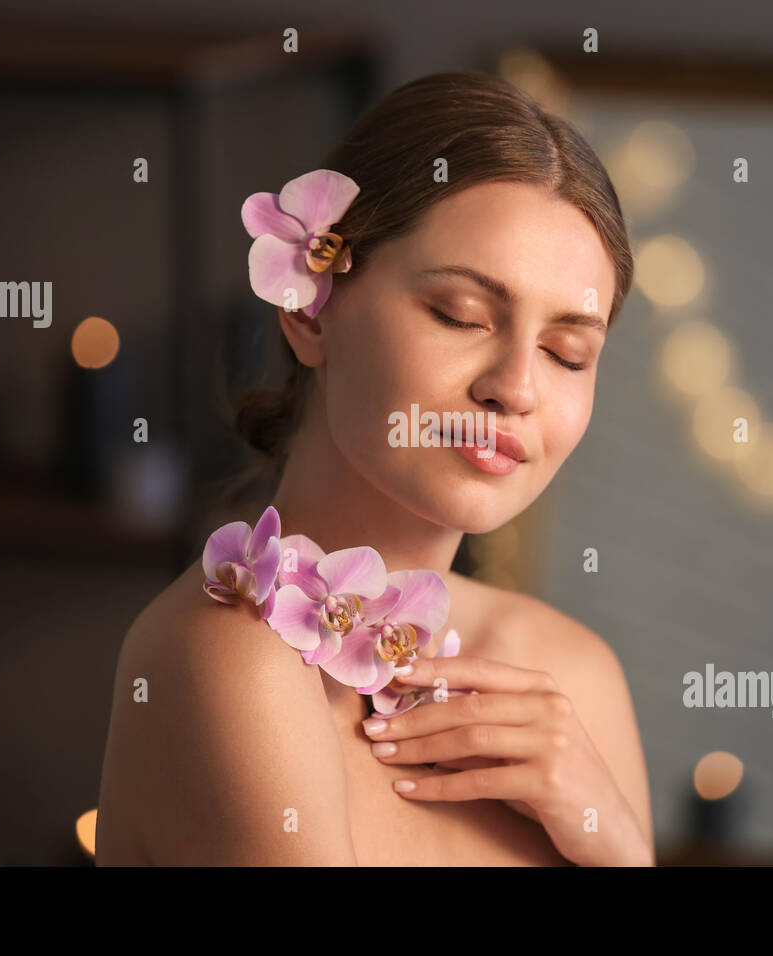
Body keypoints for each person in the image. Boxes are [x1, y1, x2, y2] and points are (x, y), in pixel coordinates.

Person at [96, 70, 653, 866]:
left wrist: (618, 844)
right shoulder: (231, 661)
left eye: (569, 353)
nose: (516, 389)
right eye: (459, 315)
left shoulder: (574, 679)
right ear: (308, 309)